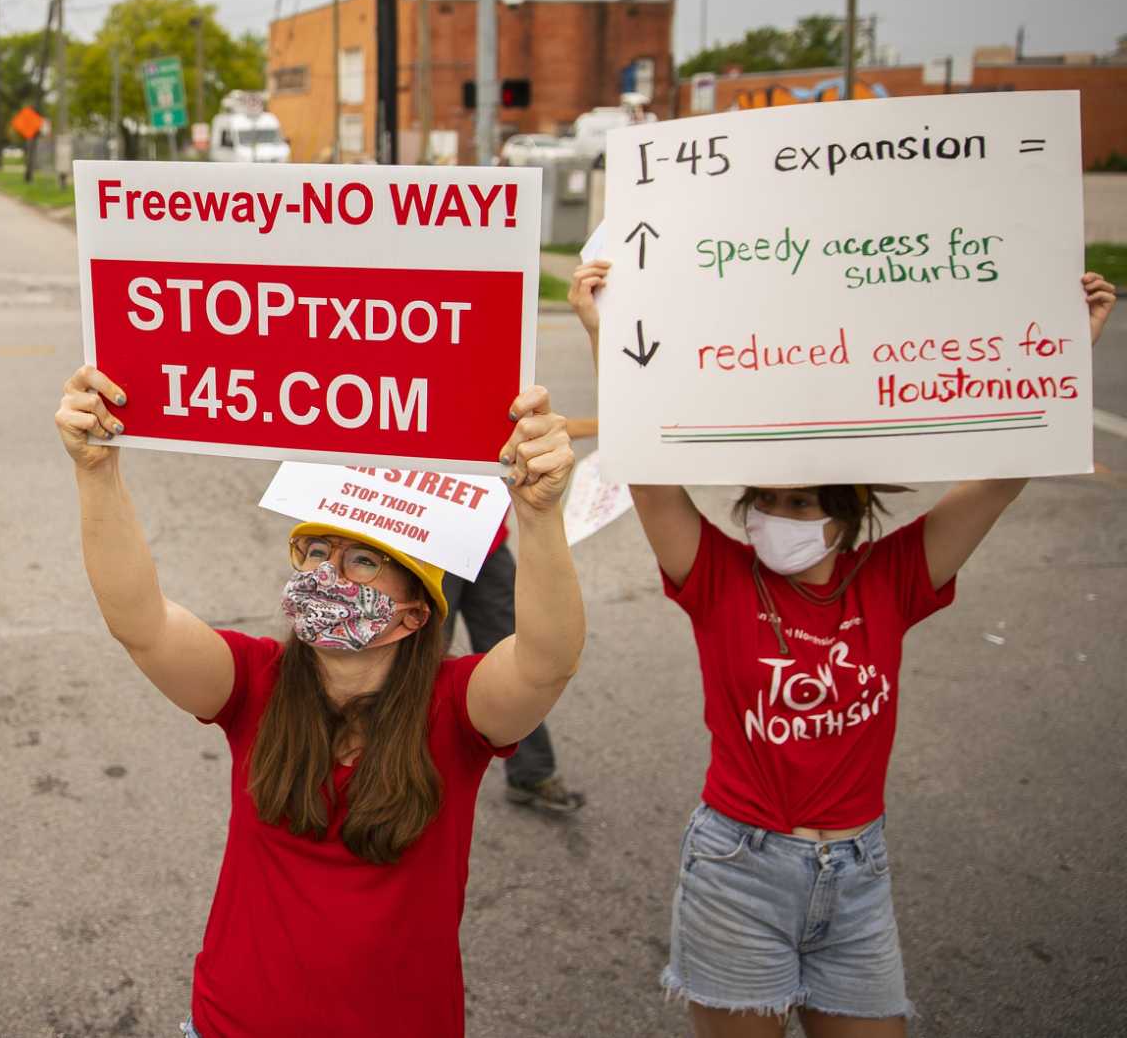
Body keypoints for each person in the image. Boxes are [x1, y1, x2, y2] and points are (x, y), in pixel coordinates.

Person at [568, 259, 1116, 1037]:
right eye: (765, 500)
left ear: (845, 513)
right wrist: (605, 336)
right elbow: (651, 481)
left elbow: (998, 481)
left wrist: (1067, 354)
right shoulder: (719, 576)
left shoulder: (889, 579)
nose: (773, 516)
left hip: (858, 876)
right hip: (738, 869)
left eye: (800, 502)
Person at [55, 366, 584, 1038]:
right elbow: (142, 621)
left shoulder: (454, 709)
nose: (326, 572)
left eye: (362, 561)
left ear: (414, 615)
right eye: (315, 551)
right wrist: (96, 473)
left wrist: (539, 515)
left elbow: (547, 662)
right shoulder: (254, 682)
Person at [441, 525, 586, 813]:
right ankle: (388, 789)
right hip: (423, 545)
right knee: (416, 671)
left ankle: (531, 773)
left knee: (521, 660)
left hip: (485, 538)